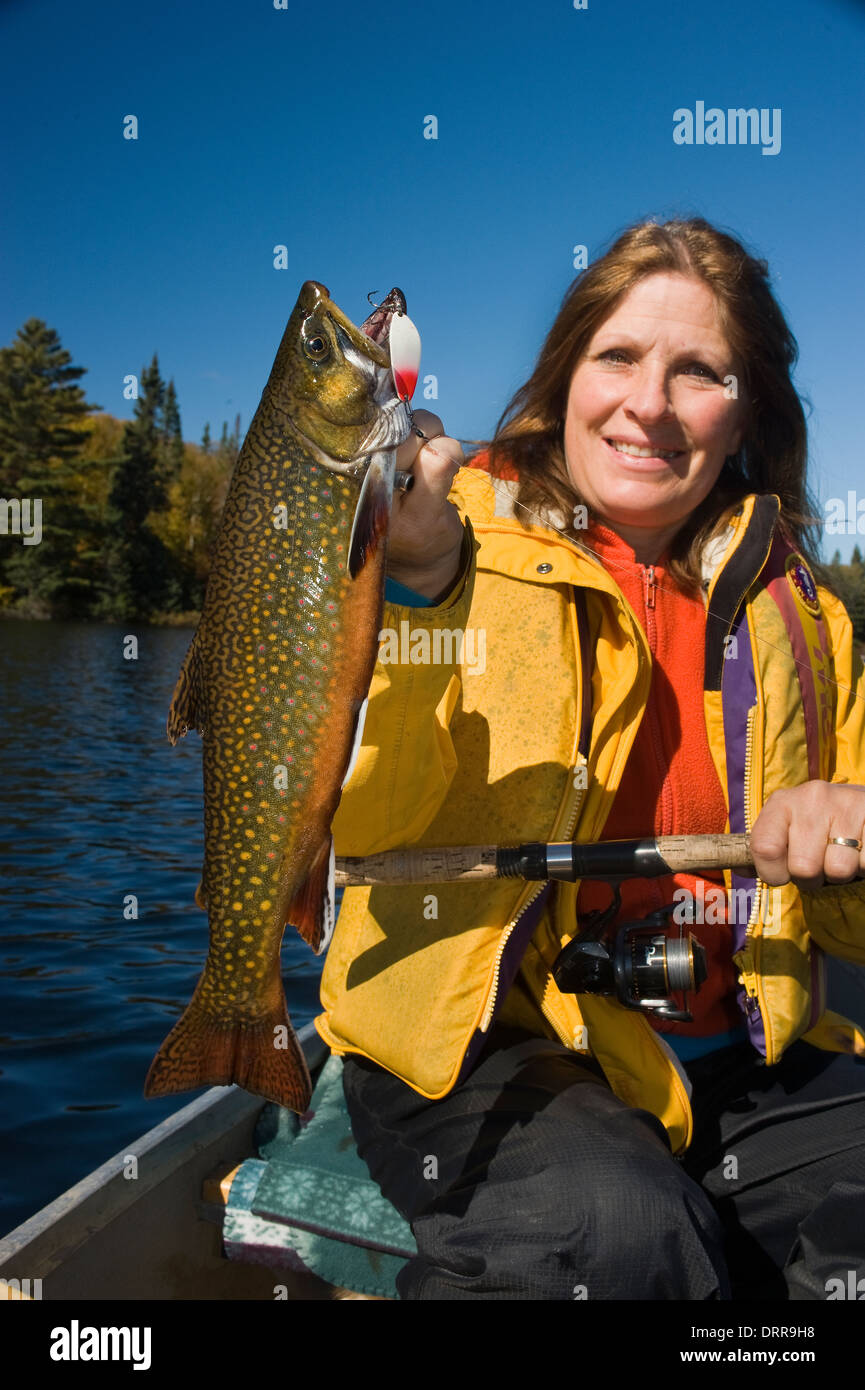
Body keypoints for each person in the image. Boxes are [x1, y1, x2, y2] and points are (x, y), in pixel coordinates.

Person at [315, 217, 865, 1301]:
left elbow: (848, 931)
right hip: (482, 1051)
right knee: (609, 1233)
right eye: (616, 356)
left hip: (742, 1055)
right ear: (562, 375)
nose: (648, 403)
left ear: (746, 407)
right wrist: (419, 592)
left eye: (697, 370)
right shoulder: (433, 542)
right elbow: (364, 824)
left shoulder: (808, 615)